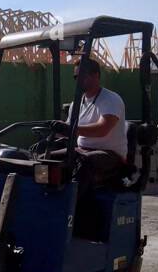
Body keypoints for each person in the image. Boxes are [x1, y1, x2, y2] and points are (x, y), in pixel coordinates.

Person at [51, 57, 127, 198]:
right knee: (47, 158)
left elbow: (102, 129)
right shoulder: (76, 103)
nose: (78, 81)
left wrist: (72, 130)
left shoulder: (111, 99)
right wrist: (54, 132)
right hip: (82, 150)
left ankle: (76, 210)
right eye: (76, 77)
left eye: (82, 76)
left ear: (96, 75)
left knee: (83, 163)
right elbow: (68, 130)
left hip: (110, 155)